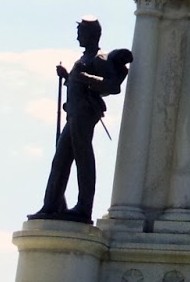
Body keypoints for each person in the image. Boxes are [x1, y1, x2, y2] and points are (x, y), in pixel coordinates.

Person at [29, 18, 132, 225]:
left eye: (80, 32)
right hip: (75, 112)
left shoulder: (100, 58)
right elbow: (78, 83)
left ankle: (84, 208)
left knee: (83, 158)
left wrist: (86, 78)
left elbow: (112, 86)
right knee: (61, 159)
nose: (77, 37)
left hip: (85, 113)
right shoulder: (85, 57)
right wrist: (68, 76)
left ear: (91, 34)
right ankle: (51, 204)